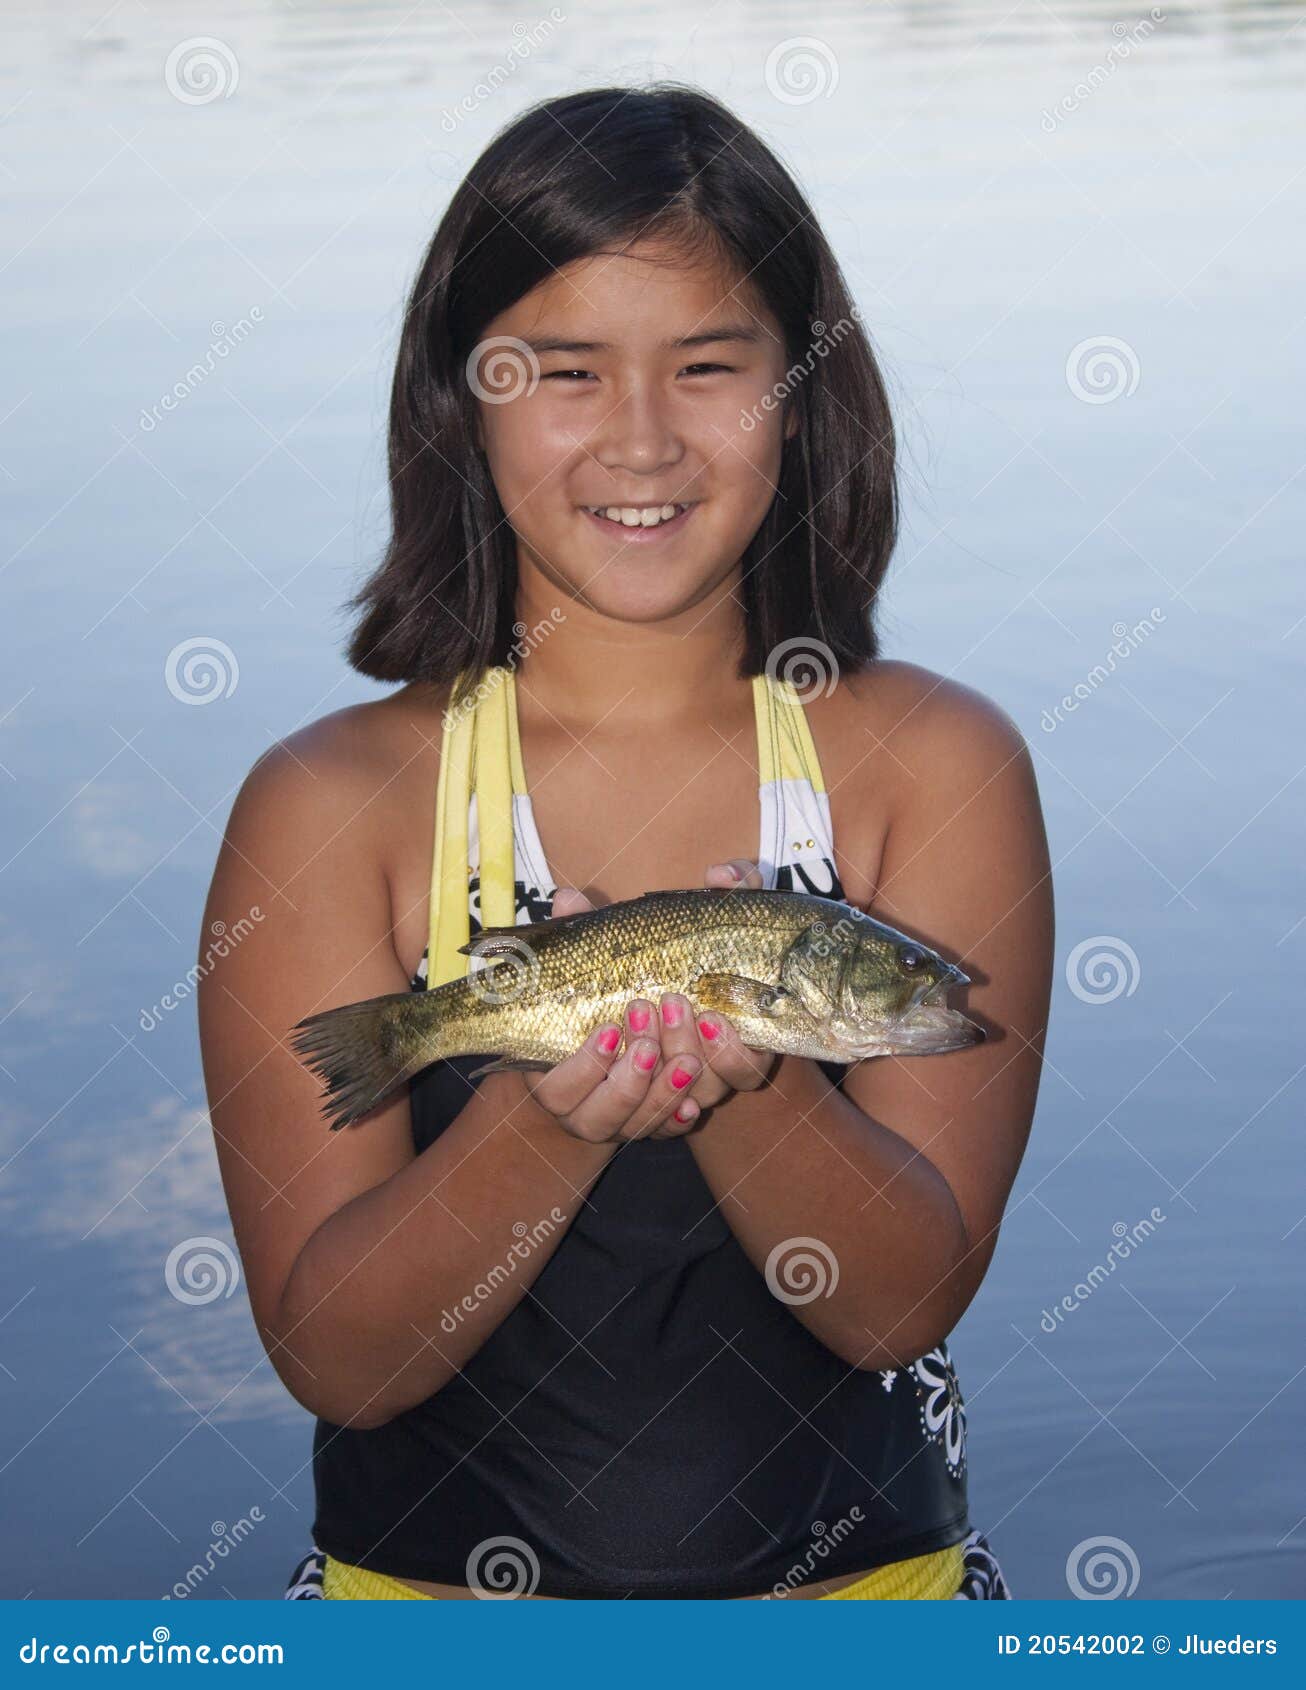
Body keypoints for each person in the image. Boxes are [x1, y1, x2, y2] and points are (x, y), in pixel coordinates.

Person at [199, 83, 1053, 1602]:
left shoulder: (935, 766)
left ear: (800, 393)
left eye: (711, 365)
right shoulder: (328, 805)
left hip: (865, 1606)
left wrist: (745, 1088)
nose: (642, 439)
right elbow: (338, 1358)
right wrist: (548, 1112)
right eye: (566, 371)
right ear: (460, 398)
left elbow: (899, 1302)